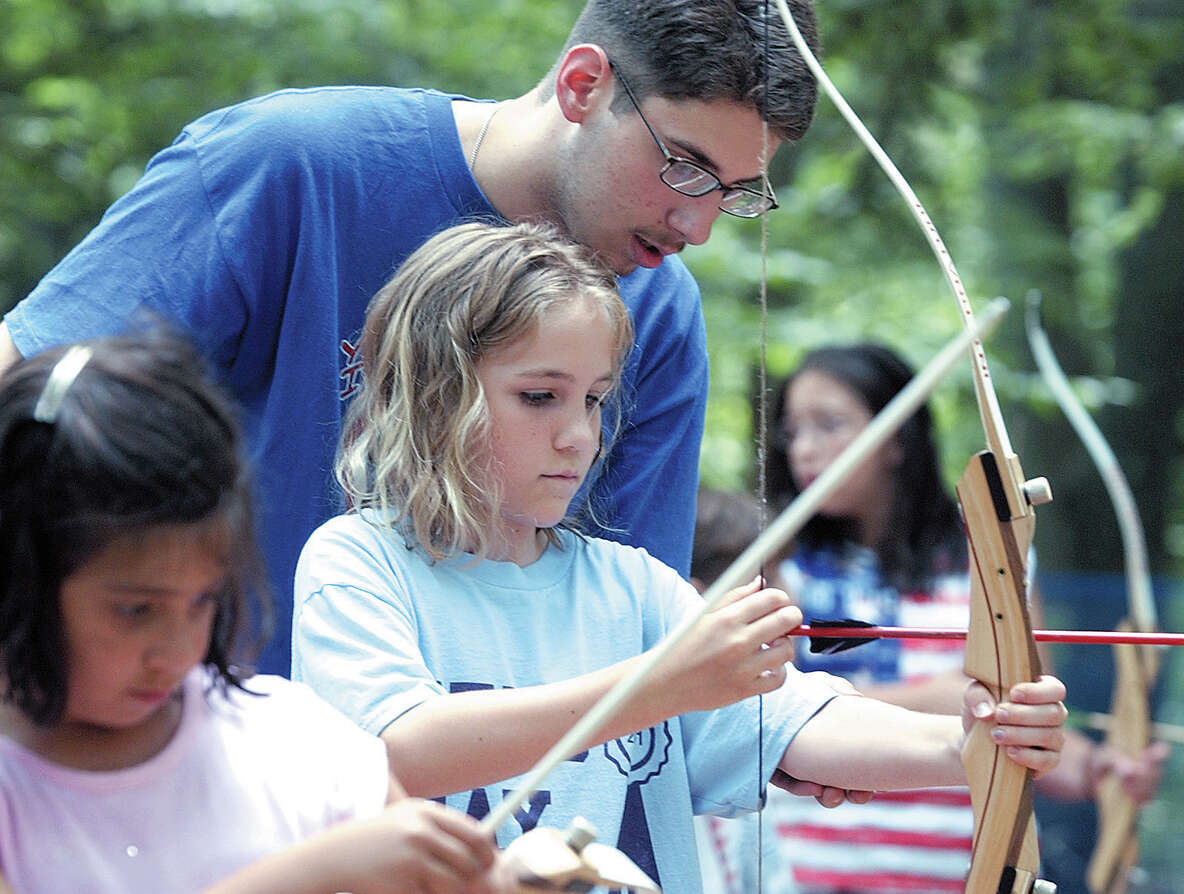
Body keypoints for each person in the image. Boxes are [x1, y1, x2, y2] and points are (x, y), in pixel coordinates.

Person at [0, 0, 826, 676]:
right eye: (684, 165)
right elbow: (19, 392)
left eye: (736, 192)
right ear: (582, 85)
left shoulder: (661, 311)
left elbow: (635, 642)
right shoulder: (293, 165)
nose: (698, 226)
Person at [291, 221, 1069, 894]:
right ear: (434, 394)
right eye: (539, 396)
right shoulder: (359, 562)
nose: (579, 435)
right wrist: (660, 684)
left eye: (595, 399)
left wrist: (978, 743)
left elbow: (801, 724)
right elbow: (394, 749)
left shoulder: (633, 588)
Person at [0, 333, 504, 894]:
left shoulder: (296, 740)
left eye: (204, 600)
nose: (178, 652)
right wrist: (315, 870)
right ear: (18, 576)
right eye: (136, 610)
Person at [693, 343, 1168, 894]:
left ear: (897, 437)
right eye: (792, 431)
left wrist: (1098, 770)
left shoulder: (988, 551)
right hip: (800, 873)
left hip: (955, 874)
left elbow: (1020, 718)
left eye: (829, 424)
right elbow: (745, 709)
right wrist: (943, 697)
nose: (803, 448)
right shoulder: (772, 556)